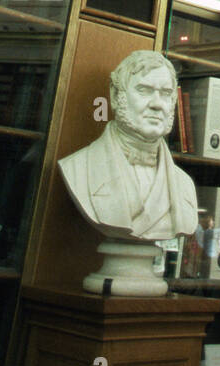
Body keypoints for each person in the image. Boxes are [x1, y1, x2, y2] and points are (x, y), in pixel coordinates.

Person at [59, 51, 197, 242]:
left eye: (165, 94)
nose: (157, 104)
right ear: (116, 96)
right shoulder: (78, 168)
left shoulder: (185, 185)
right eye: (144, 90)